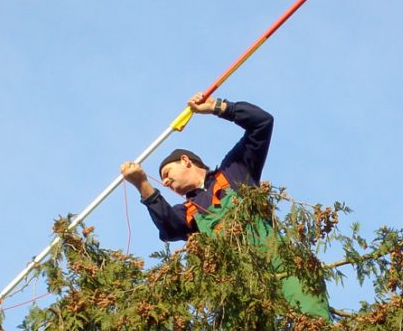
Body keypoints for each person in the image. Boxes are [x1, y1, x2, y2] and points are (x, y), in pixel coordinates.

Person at [121, 93, 329, 319]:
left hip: (282, 264)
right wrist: (142, 184)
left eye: (167, 174)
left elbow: (262, 123)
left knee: (314, 328)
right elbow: (169, 227)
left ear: (185, 160)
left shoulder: (235, 171)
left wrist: (218, 107)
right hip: (243, 287)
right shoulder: (188, 211)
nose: (166, 182)